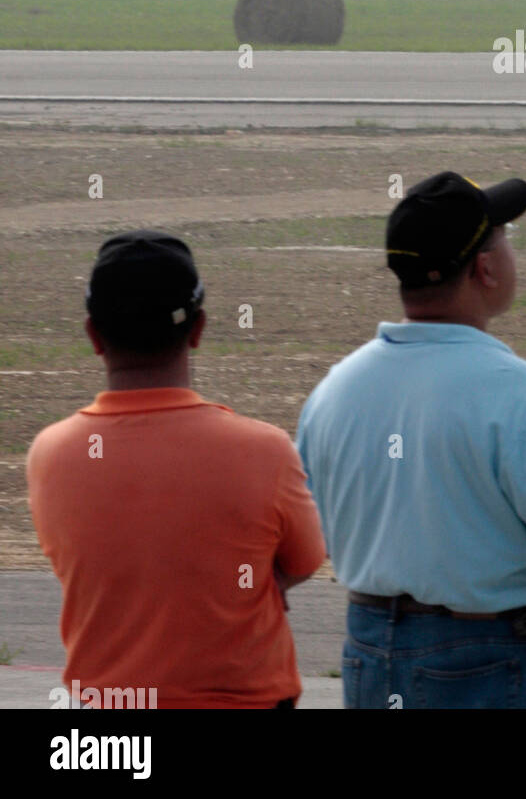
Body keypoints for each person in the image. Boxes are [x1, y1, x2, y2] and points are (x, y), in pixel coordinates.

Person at [297, 171, 526, 710]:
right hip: (494, 666)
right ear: (485, 269)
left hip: (369, 654)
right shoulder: (522, 393)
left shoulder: (335, 390)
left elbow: (313, 536)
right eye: (505, 240)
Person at [26, 230, 326, 709]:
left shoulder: (51, 454)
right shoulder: (264, 450)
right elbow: (304, 560)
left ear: (93, 335)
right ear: (199, 328)